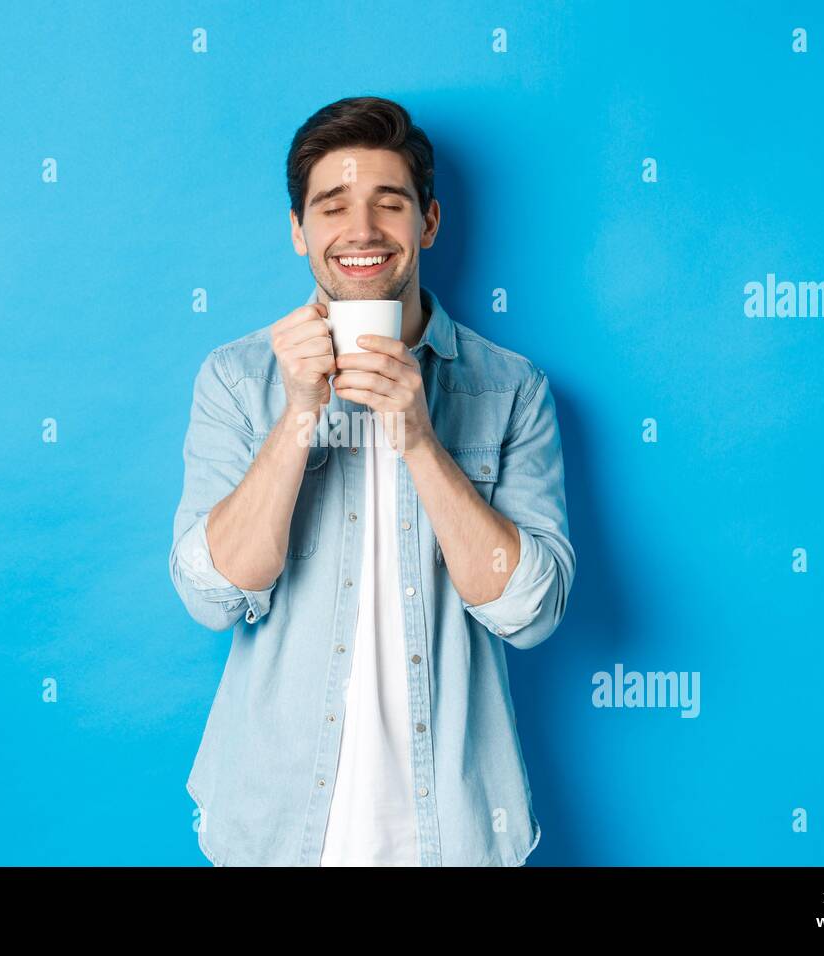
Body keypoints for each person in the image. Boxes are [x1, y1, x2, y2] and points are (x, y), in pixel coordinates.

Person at [169, 95, 577, 866]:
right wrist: (296, 417)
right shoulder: (233, 379)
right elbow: (212, 597)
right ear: (299, 231)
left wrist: (421, 439)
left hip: (454, 828)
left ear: (427, 223)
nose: (360, 231)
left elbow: (531, 611)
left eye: (388, 204)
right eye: (332, 207)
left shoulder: (511, 388)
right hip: (274, 824)